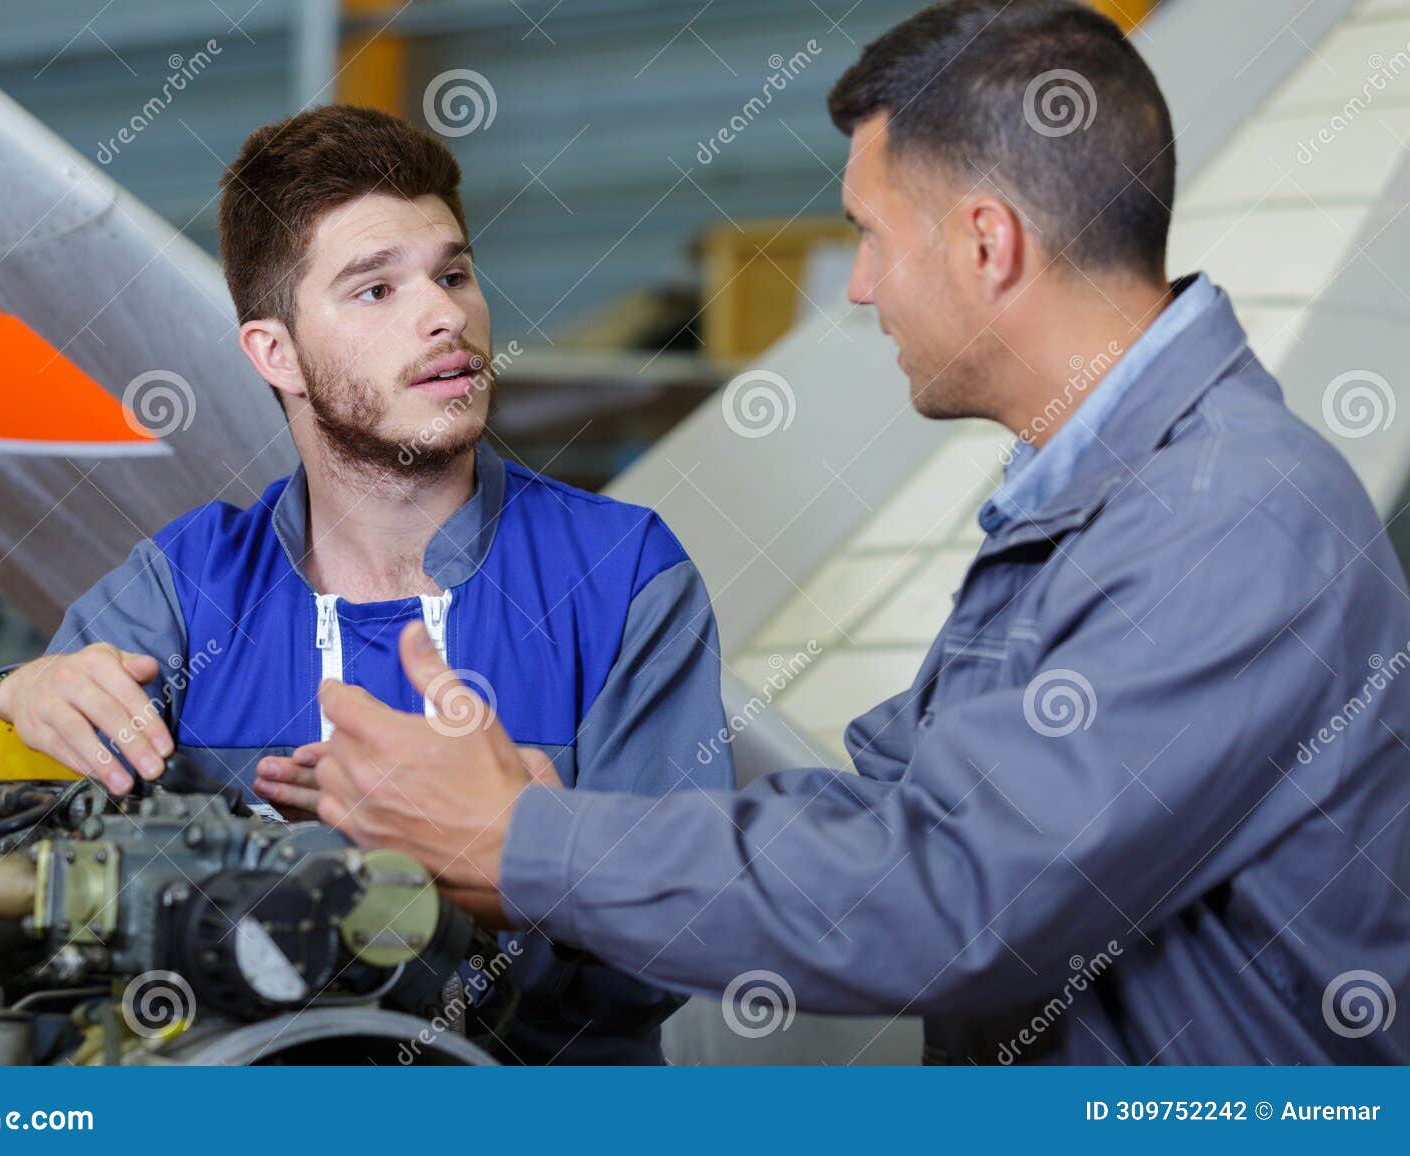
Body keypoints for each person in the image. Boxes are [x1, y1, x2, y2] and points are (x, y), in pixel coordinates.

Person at [275, 0, 1410, 1064]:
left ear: (986, 244)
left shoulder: (1224, 517)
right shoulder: (1099, 492)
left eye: (871, 233)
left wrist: (520, 843)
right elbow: (891, 813)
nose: (859, 286)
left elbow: (952, 898)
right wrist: (555, 821)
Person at [0, 105, 732, 1065]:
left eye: (453, 274)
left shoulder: (621, 577)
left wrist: (526, 854)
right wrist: (10, 699)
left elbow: (687, 941)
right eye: (375, 290)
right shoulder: (186, 588)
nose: (444, 314)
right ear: (274, 353)